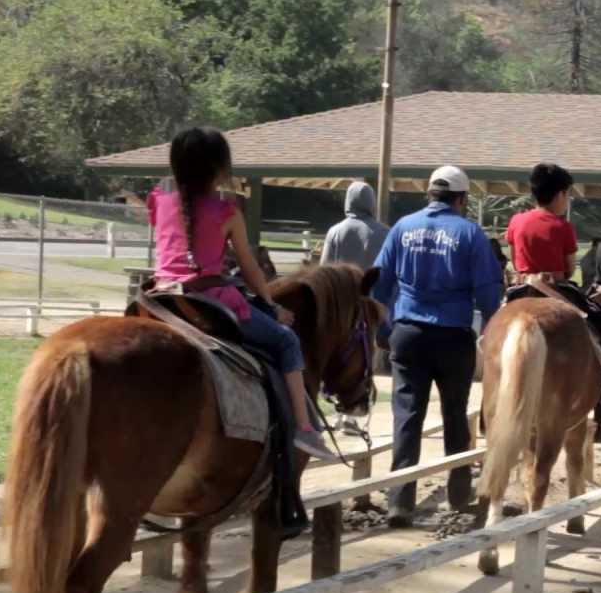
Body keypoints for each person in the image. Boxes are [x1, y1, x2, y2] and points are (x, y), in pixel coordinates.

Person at [149, 128, 334, 459]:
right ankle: (305, 430)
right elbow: (250, 269)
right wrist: (272, 307)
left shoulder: (158, 201)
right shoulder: (227, 212)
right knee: (287, 341)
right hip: (208, 302)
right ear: (220, 169)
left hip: (163, 298)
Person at [371, 165, 504, 527]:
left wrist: (383, 328)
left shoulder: (402, 227)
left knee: (407, 415)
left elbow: (379, 284)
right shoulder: (469, 233)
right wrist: (492, 325)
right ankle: (459, 495)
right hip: (453, 335)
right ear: (461, 199)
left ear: (430, 194)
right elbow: (489, 291)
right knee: (454, 415)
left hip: (408, 331)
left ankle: (399, 501)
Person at [505, 163, 601, 405]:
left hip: (521, 288)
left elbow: (513, 256)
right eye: (568, 194)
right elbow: (570, 268)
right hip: (556, 288)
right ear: (560, 194)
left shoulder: (516, 221)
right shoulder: (562, 226)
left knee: (493, 329)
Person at [320, 181, 389, 269]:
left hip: (344, 282)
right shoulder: (385, 233)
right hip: (373, 282)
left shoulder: (334, 232)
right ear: (372, 202)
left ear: (348, 201)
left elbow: (324, 270)